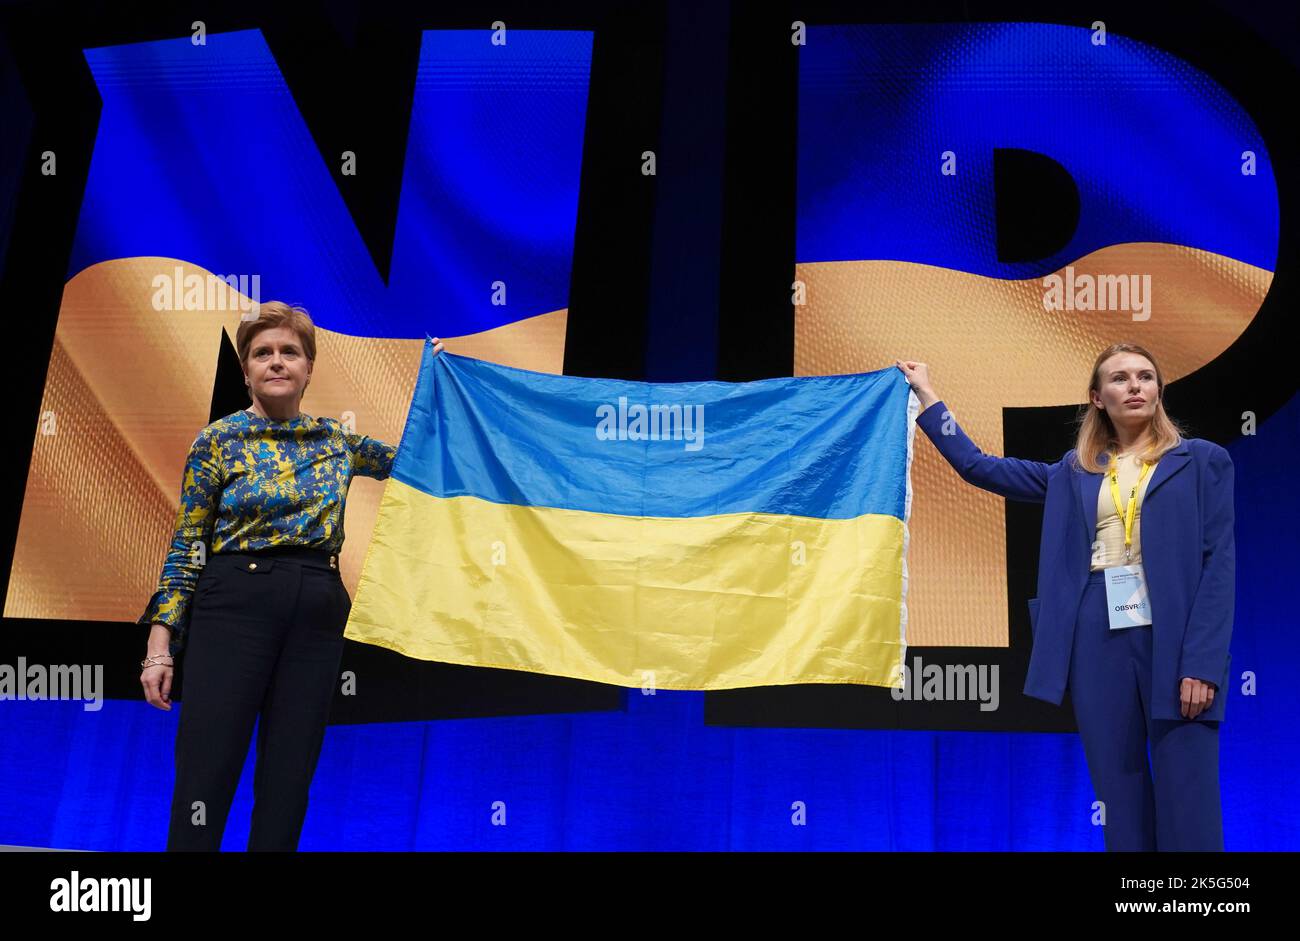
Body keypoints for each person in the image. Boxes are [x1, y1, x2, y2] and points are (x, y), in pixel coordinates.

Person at [896, 343, 1233, 851]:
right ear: (1098, 398)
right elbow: (977, 466)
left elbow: (1219, 565)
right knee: (1120, 794)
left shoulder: (1202, 461)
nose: (1135, 386)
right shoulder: (1072, 472)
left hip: (1176, 636)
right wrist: (928, 395)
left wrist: (1202, 663)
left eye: (1145, 376)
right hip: (1095, 631)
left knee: (1190, 796)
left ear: (1159, 390)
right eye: (1120, 378)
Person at [138, 301, 445, 850]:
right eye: (262, 353)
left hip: (318, 610)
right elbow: (187, 543)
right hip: (232, 604)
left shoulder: (339, 443)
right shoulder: (217, 441)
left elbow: (419, 464)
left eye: (289, 352)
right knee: (206, 769)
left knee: (288, 779)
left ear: (308, 368)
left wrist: (440, 389)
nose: (276, 361)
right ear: (247, 370)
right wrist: (161, 645)